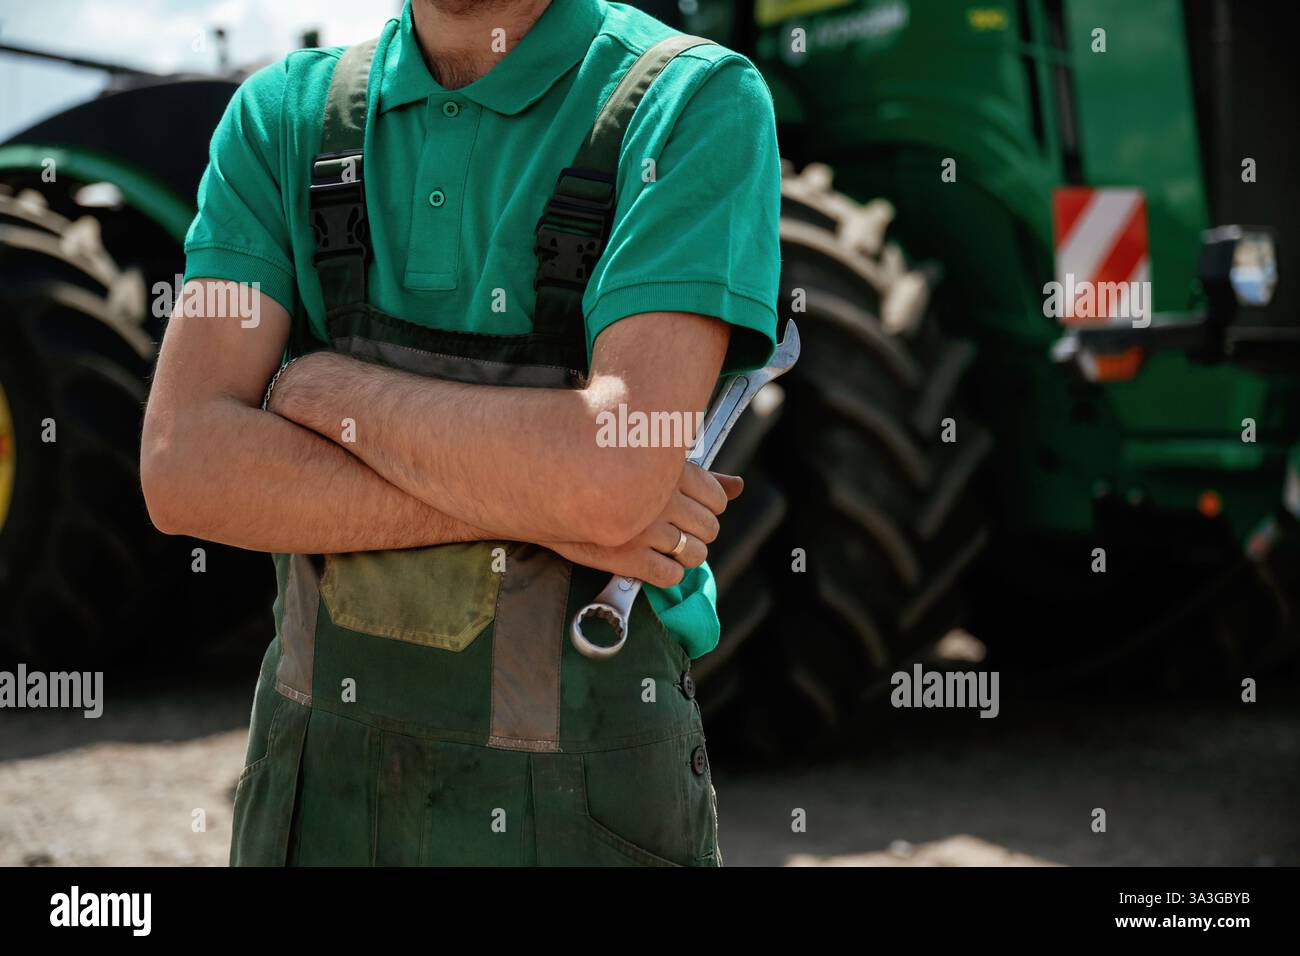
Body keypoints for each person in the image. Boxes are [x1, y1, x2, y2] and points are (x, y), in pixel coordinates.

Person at [141, 0, 780, 865]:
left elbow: (611, 474)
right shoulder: (281, 119)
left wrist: (316, 386)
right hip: (313, 797)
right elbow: (184, 468)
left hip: (582, 810)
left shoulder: (689, 101)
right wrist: (553, 506)